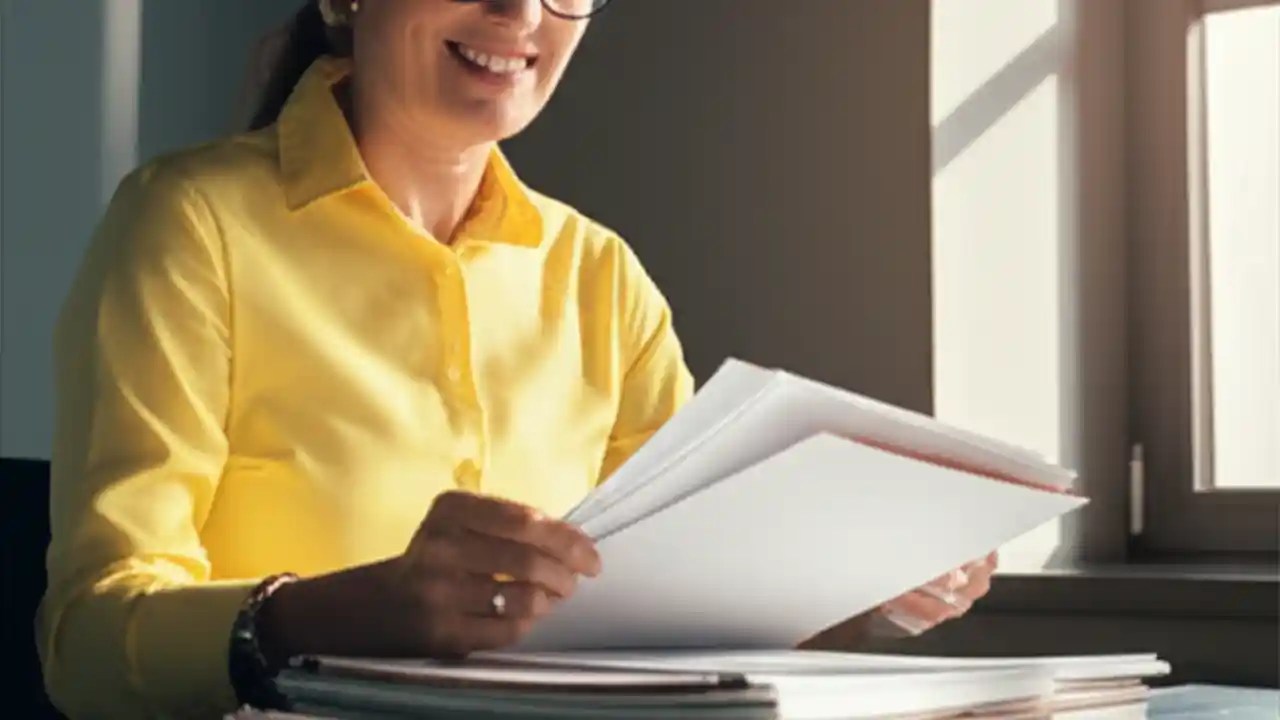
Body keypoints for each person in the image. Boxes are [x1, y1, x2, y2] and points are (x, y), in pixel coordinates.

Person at [37, 1, 997, 717]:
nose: (521, 10)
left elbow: (698, 609)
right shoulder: (189, 226)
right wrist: (345, 610)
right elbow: (87, 644)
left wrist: (870, 583)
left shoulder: (600, 275)